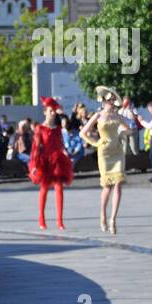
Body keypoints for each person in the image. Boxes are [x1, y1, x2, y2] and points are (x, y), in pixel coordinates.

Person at [81, 86, 130, 234]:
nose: (111, 102)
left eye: (113, 100)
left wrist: (122, 135)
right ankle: (103, 214)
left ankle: (113, 218)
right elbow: (83, 133)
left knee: (119, 184)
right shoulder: (98, 116)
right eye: (109, 100)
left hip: (117, 151)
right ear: (104, 101)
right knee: (107, 186)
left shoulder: (118, 116)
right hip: (104, 152)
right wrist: (96, 143)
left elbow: (129, 129)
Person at [29, 96, 73, 230]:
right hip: (44, 160)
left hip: (57, 160)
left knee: (59, 187)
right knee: (44, 188)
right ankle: (41, 219)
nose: (53, 113)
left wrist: (64, 151)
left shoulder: (58, 128)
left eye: (54, 111)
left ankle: (60, 221)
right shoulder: (40, 128)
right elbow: (36, 148)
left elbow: (61, 141)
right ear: (45, 112)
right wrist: (35, 165)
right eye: (50, 111)